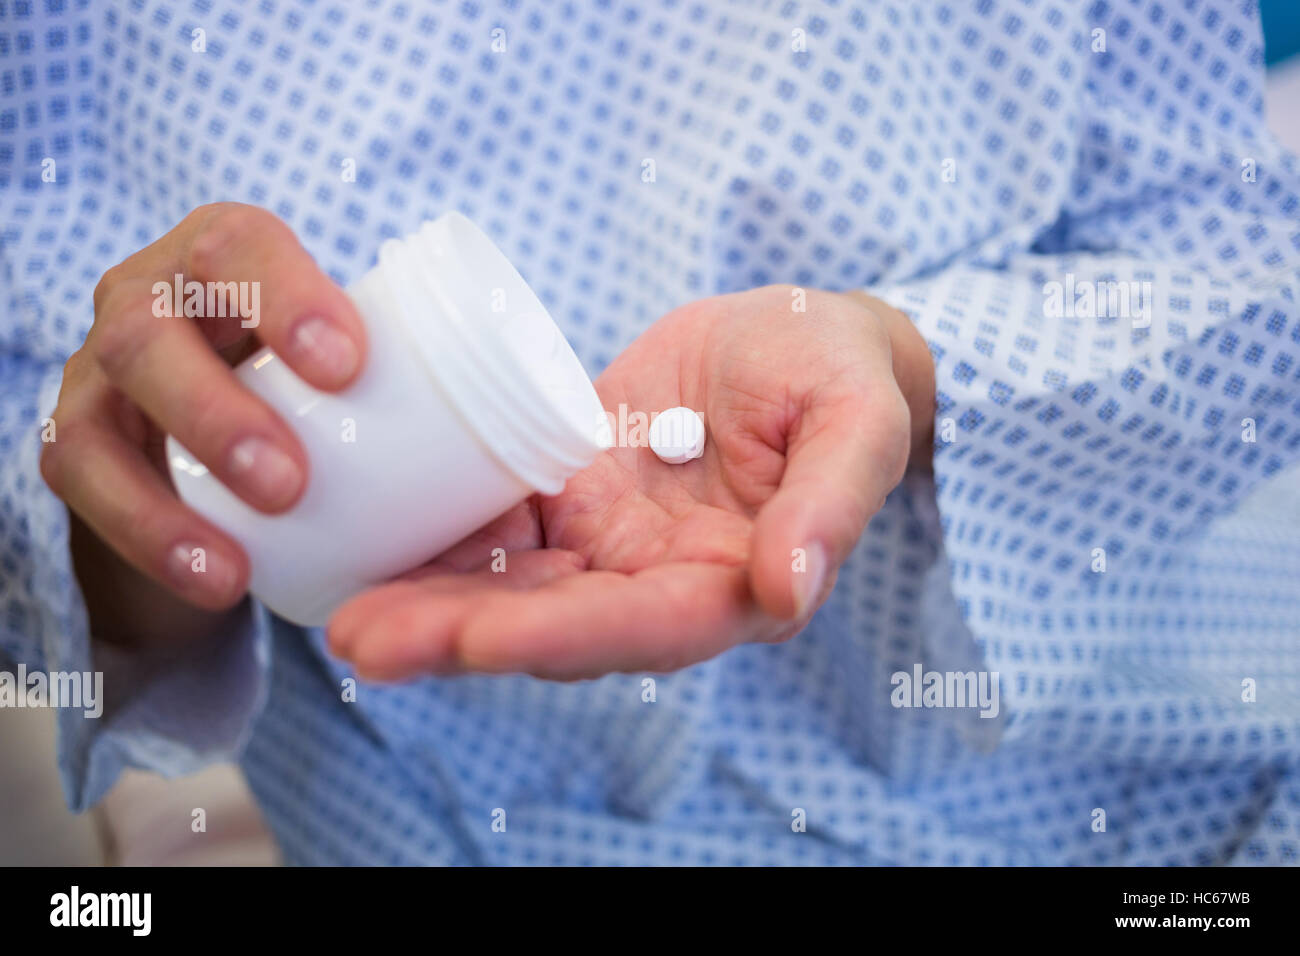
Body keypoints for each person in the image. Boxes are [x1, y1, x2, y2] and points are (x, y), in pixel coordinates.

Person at [3, 0, 1298, 865]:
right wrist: (137, 543)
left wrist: (903, 363)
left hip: (1127, 789)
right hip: (455, 825)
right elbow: (34, 393)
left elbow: (1235, 261)